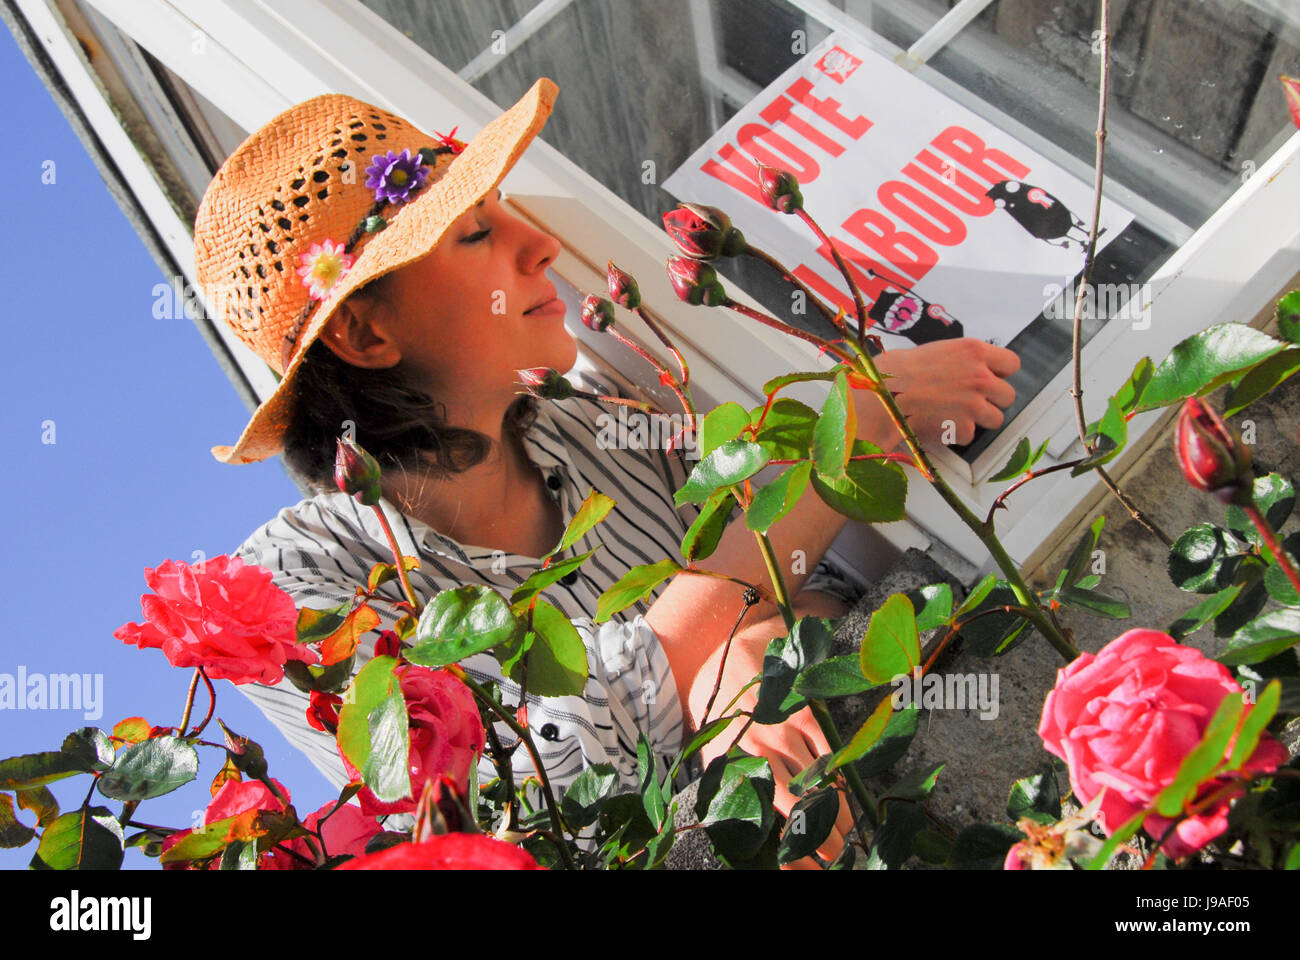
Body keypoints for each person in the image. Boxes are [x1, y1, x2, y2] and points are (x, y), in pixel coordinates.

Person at [195, 79, 1019, 866]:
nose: (541, 244)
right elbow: (522, 807)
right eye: (477, 233)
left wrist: (750, 656)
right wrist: (849, 434)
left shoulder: (599, 418)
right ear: (368, 337)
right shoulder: (280, 599)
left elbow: (829, 577)